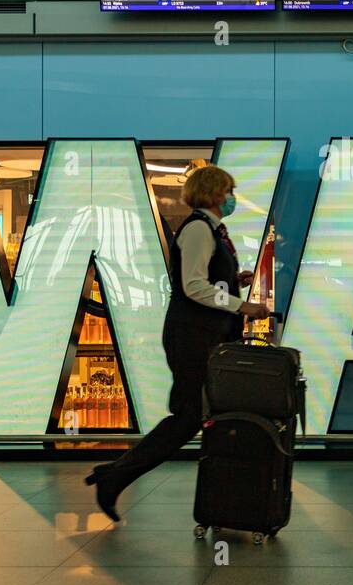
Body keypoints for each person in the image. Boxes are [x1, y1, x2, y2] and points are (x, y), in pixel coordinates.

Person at [86, 163, 269, 521]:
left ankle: (116, 474)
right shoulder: (200, 230)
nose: (232, 198)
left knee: (194, 415)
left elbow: (205, 281)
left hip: (203, 336)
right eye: (229, 191)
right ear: (215, 194)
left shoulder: (211, 231)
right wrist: (242, 304)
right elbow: (194, 287)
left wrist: (234, 281)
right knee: (188, 417)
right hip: (193, 338)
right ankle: (114, 478)